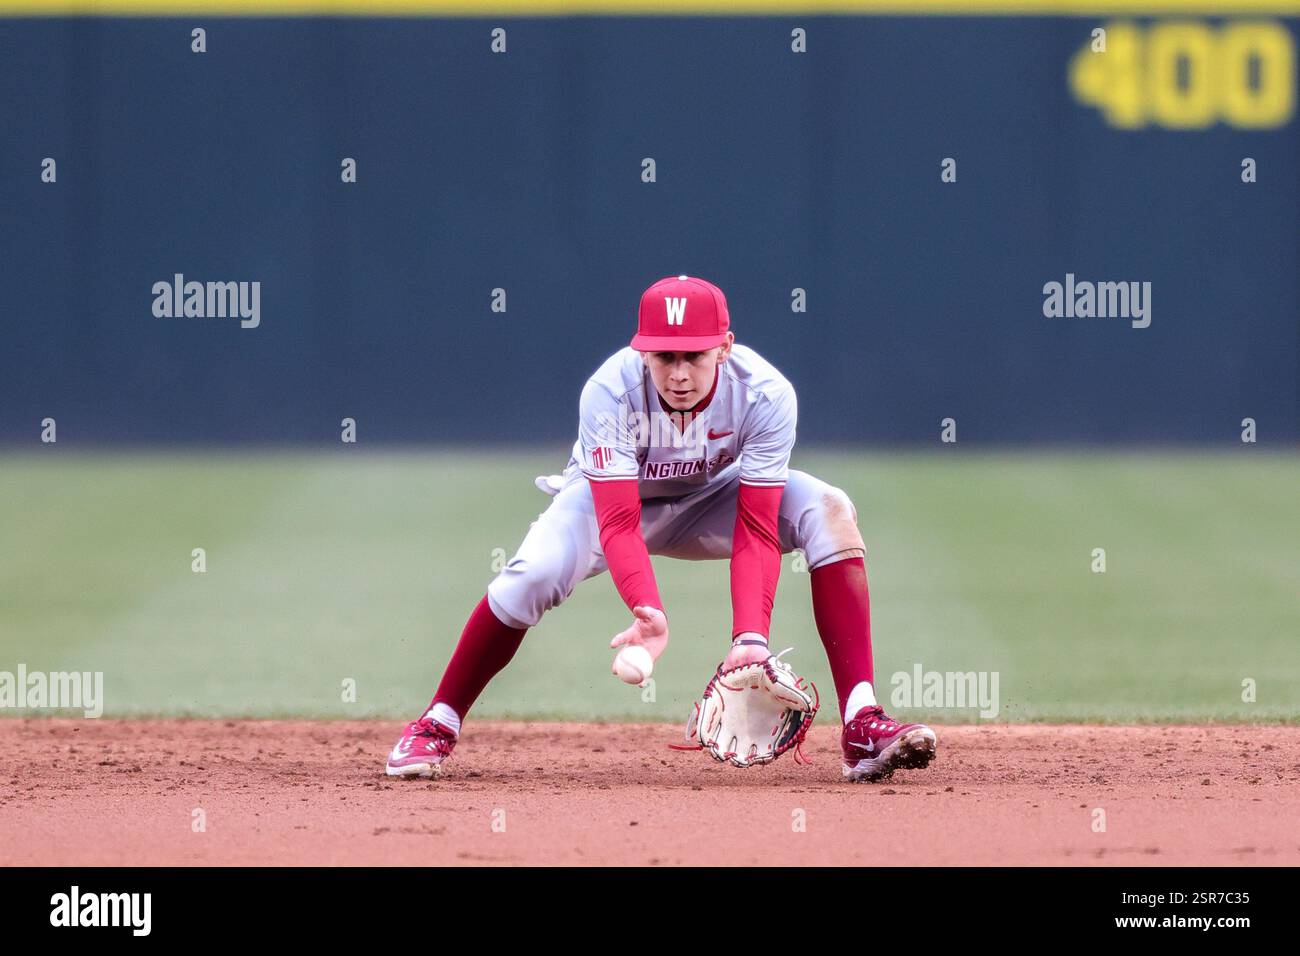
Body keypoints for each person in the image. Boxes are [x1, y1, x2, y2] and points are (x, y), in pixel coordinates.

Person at [386, 275, 937, 782]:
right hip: (612, 501)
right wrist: (648, 612)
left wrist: (751, 640)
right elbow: (620, 522)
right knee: (531, 575)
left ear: (724, 346)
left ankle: (862, 723)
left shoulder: (766, 394)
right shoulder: (610, 390)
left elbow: (757, 528)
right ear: (639, 351)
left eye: (693, 355)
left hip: (715, 496)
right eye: (662, 356)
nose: (677, 373)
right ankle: (439, 721)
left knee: (829, 508)